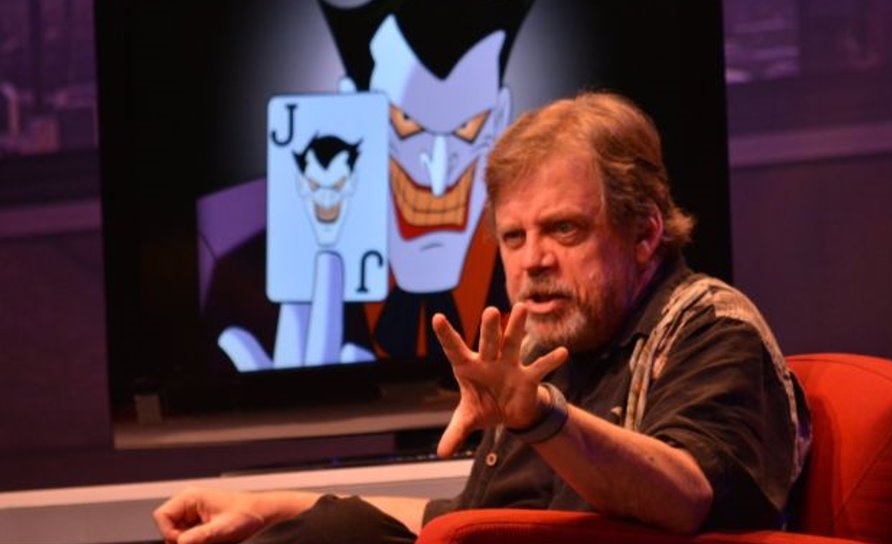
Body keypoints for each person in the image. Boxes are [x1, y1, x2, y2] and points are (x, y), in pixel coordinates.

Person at [154, 92, 811, 544]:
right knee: (338, 527)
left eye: (564, 229)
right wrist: (265, 508)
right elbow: (471, 520)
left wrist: (542, 417)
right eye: (514, 237)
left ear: (644, 234)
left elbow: (688, 493)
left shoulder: (710, 326)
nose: (534, 260)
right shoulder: (542, 349)